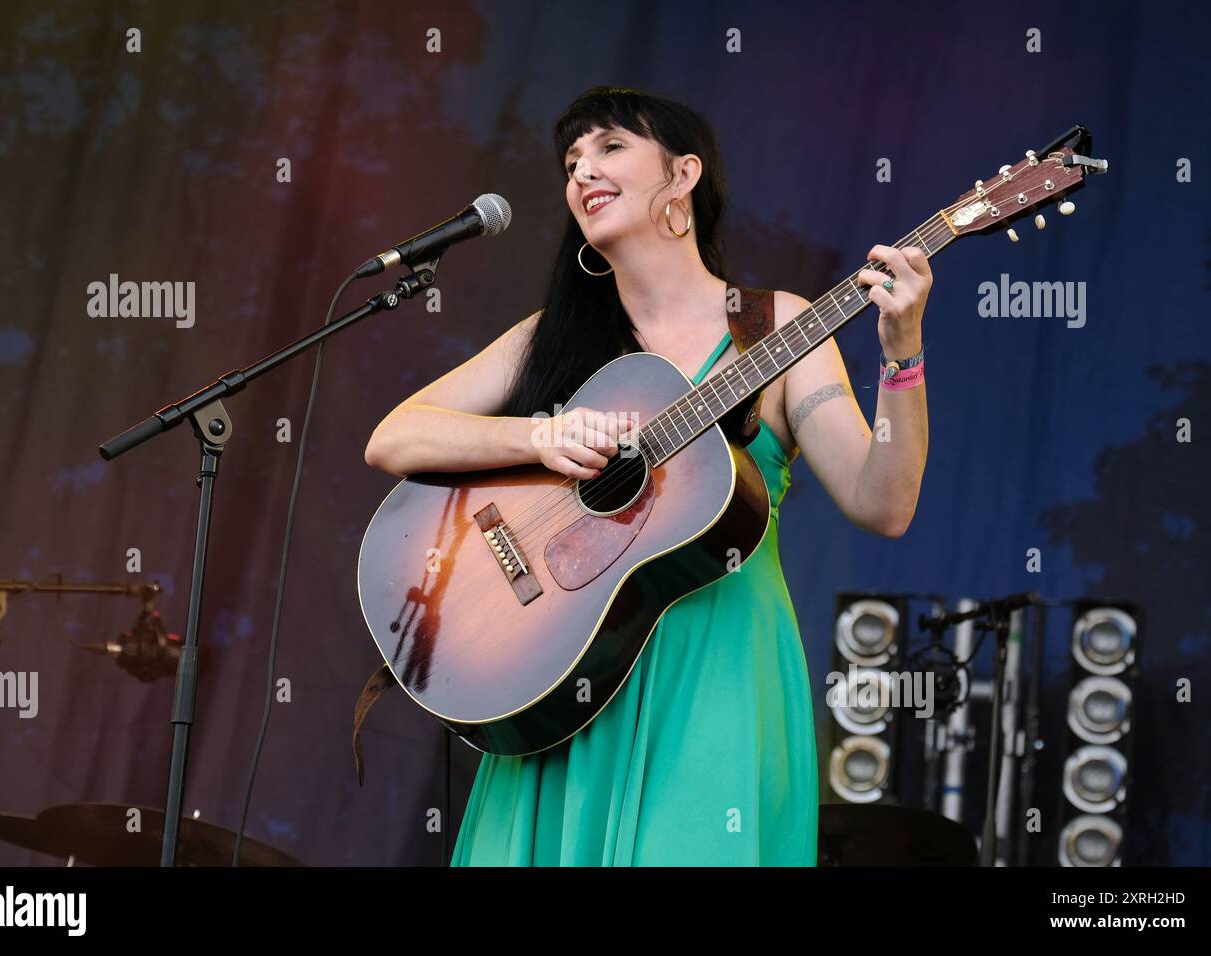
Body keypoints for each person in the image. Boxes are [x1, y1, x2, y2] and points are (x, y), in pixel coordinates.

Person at [363, 86, 931, 865]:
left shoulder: (777, 326)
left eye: (609, 147)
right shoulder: (553, 337)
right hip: (564, 668)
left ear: (684, 174)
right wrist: (543, 435)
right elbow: (396, 437)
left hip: (719, 669)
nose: (582, 172)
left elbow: (884, 503)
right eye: (570, 162)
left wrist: (902, 354)